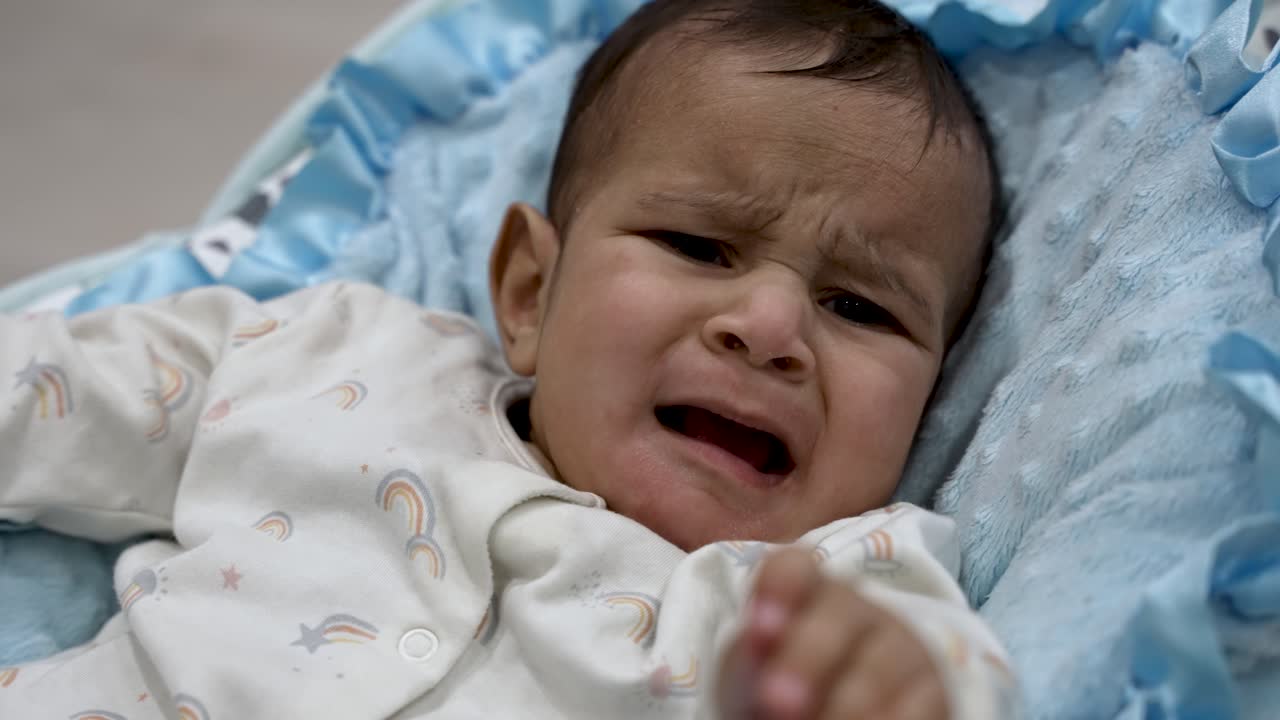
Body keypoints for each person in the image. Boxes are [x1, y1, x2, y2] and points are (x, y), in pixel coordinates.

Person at [0, 1, 1014, 718]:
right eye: (697, 247)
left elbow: (945, 680)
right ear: (529, 292)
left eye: (858, 306)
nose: (766, 327)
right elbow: (49, 392)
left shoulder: (825, 592)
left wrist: (883, 688)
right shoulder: (329, 353)